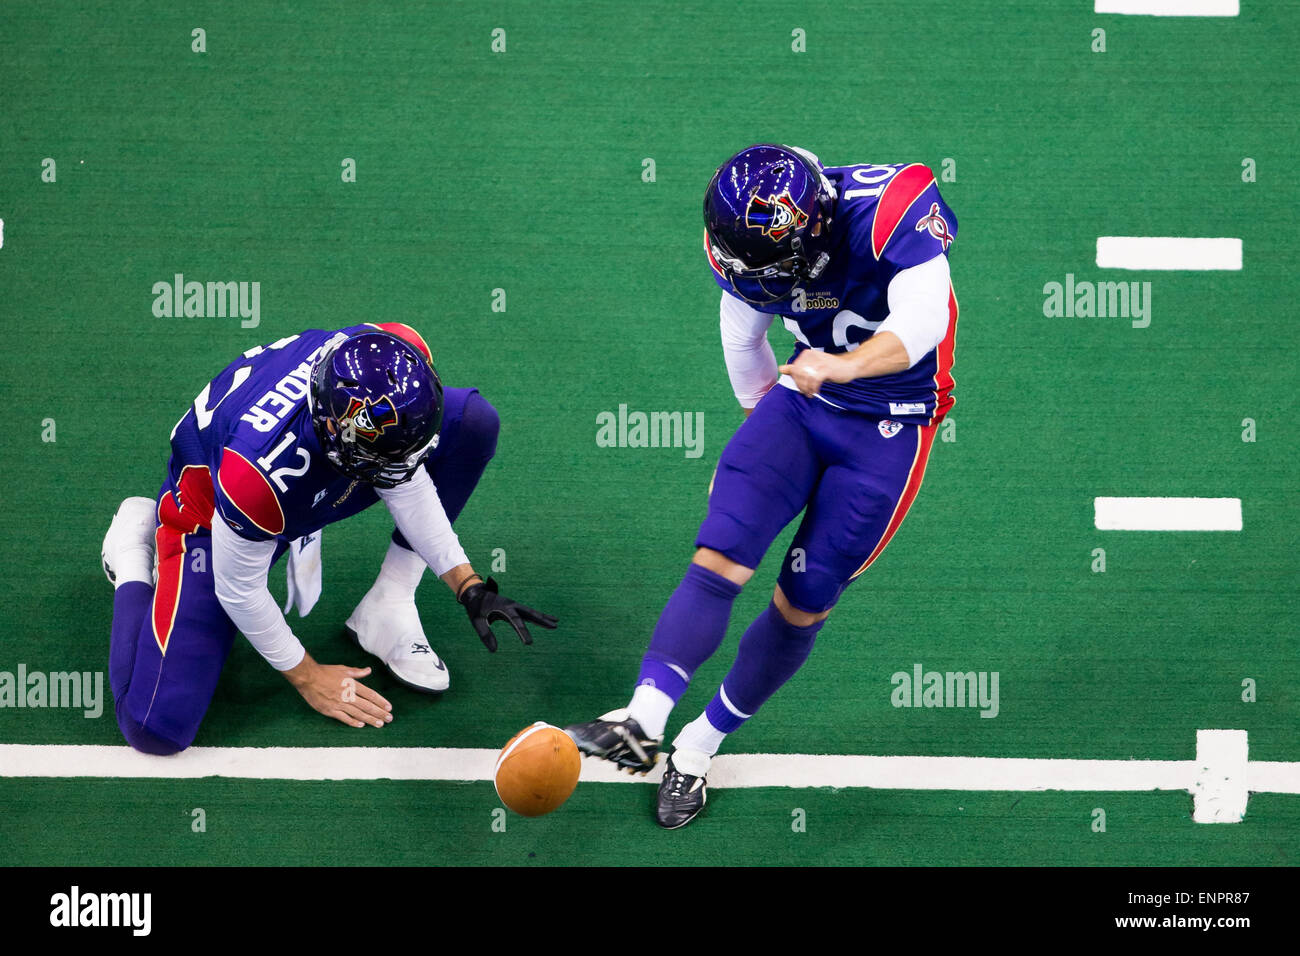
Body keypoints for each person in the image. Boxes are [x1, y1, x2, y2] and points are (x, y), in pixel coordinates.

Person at [566, 144, 958, 827]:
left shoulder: (891, 207)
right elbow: (745, 341)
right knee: (722, 548)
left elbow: (924, 324)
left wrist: (843, 368)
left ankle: (699, 745)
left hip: (891, 425)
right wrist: (764, 438)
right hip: (800, 406)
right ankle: (644, 716)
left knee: (803, 599)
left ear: (813, 229)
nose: (760, 280)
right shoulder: (748, 245)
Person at [100, 323, 557, 754]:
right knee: (155, 727)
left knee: (472, 422)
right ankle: (133, 552)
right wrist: (307, 675)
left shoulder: (385, 351)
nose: (405, 472)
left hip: (306, 476)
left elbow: (405, 478)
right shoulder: (256, 477)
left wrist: (468, 586)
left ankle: (389, 604)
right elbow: (239, 590)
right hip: (213, 514)